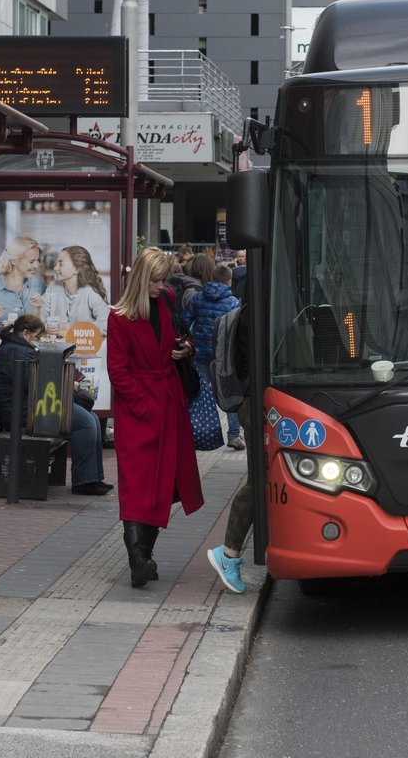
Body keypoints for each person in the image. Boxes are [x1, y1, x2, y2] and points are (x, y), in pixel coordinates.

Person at [107, 246, 205, 588]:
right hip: (139, 409)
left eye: (164, 280)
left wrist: (186, 348)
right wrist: (143, 406)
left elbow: (183, 336)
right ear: (140, 278)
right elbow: (118, 372)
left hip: (168, 400)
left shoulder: (166, 300)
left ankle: (143, 558)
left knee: (163, 481)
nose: (162, 286)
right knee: (138, 483)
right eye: (156, 280)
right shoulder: (119, 317)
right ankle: (138, 558)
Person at [0, 314, 112, 496]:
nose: (39, 340)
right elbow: (37, 383)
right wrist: (67, 384)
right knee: (86, 422)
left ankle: (92, 478)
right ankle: (84, 481)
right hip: (24, 414)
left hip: (31, 408)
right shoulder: (16, 352)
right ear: (25, 333)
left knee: (91, 419)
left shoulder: (17, 348)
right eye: (37, 336)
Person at [207, 306, 256, 595]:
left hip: (259, 403)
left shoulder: (252, 309)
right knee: (260, 481)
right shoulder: (256, 313)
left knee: (262, 480)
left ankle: (229, 554)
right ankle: (228, 554)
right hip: (258, 405)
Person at [184, 260, 242, 449]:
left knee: (201, 392)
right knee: (228, 391)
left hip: (200, 352)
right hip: (222, 354)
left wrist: (193, 337)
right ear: (229, 281)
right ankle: (234, 435)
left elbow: (185, 320)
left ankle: (198, 430)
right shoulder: (233, 302)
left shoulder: (198, 298)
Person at [0, 234, 45, 332]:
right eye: (32, 262)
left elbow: (44, 322)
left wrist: (38, 310)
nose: (36, 266)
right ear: (14, 261)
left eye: (37, 260)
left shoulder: (37, 284)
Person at [41, 245, 109, 334]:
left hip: (82, 343)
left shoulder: (90, 292)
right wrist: (46, 325)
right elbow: (41, 315)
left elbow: (107, 324)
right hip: (55, 342)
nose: (55, 268)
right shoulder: (53, 287)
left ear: (76, 269)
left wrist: (69, 327)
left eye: (61, 264)